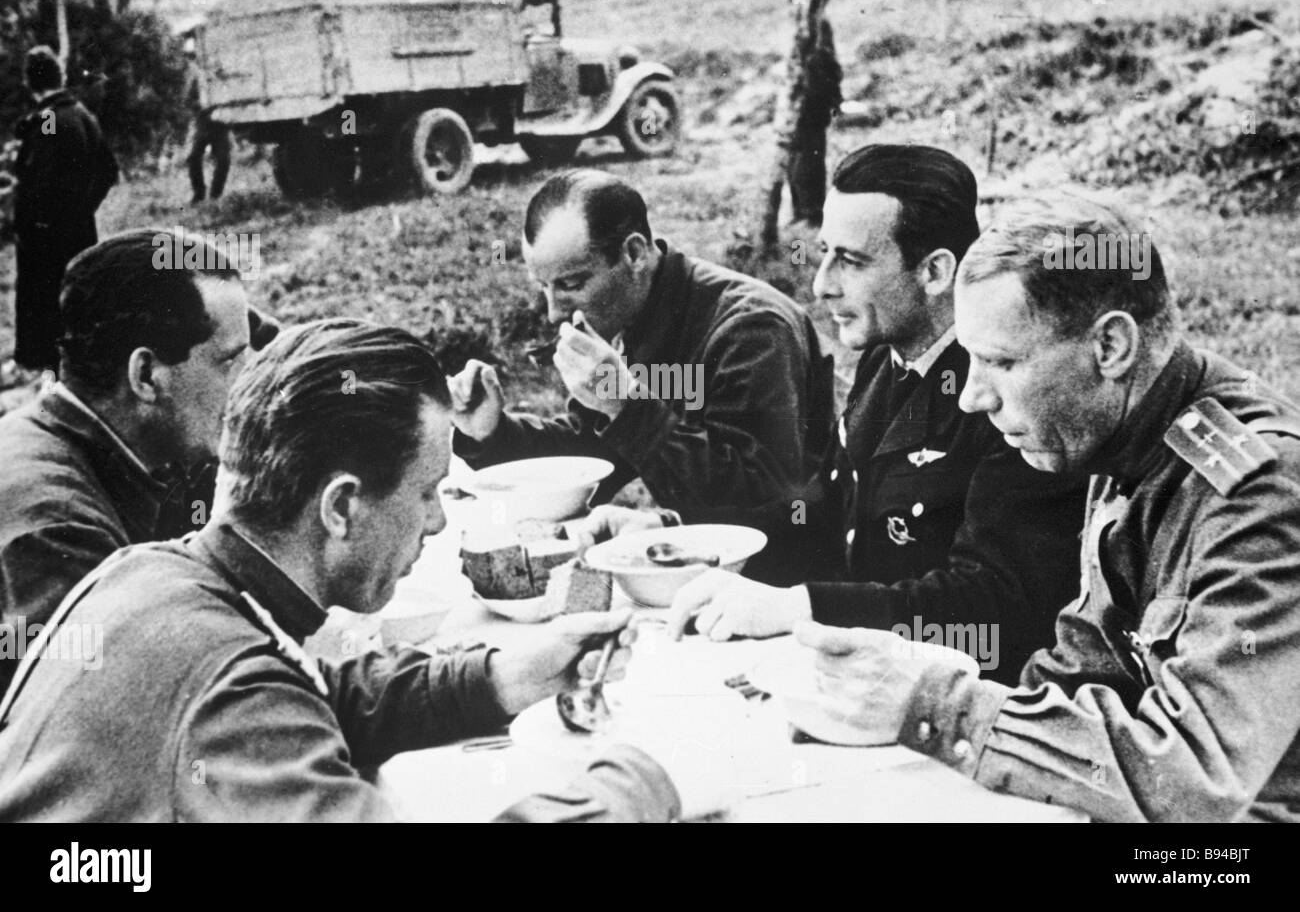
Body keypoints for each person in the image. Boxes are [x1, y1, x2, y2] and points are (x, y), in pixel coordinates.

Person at [0, 318, 703, 822]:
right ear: (339, 506)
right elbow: (261, 703)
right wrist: (639, 780)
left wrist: (500, 676)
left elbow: (312, 688)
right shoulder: (235, 695)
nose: (436, 522)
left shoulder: (156, 573)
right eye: (427, 493)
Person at [799, 190, 1300, 822]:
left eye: (1001, 362)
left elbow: (1195, 772)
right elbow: (1083, 669)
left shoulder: (1260, 490)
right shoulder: (1121, 437)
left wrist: (935, 705)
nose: (972, 398)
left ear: (1111, 347)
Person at [665, 145, 1086, 685]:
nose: (821, 284)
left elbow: (993, 604)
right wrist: (685, 538)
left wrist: (803, 608)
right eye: (823, 253)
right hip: (863, 677)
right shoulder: (886, 360)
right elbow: (820, 509)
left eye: (853, 260)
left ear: (935, 272)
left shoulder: (1004, 391)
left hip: (962, 704)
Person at [448, 169, 833, 583]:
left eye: (572, 284)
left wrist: (627, 405)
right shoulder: (641, 314)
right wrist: (494, 433)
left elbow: (758, 498)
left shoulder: (752, 330)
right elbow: (589, 449)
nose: (554, 312)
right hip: (702, 572)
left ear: (633, 254)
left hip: (787, 585)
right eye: (544, 287)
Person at [0, 229, 276, 696]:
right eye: (229, 364)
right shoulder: (57, 530)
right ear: (146, 375)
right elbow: (137, 708)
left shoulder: (119, 440)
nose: (247, 388)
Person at [10, 46, 119, 375]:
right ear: (59, 77)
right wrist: (84, 207)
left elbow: (38, 171)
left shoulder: (47, 119)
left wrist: (37, 221)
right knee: (78, 297)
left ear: (31, 83)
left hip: (46, 235)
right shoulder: (85, 116)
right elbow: (108, 171)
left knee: (45, 302)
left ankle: (48, 366)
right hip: (80, 229)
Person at [784, 0, 842, 226]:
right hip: (802, 97)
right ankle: (801, 210)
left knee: (809, 157)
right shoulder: (801, 16)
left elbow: (828, 62)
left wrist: (832, 97)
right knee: (797, 157)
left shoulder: (815, 22)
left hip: (813, 97)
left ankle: (810, 212)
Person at [184, 39, 231, 204]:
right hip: (202, 121)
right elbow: (188, 99)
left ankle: (216, 194)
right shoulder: (197, 76)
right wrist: (201, 106)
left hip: (220, 121)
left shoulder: (222, 75)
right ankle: (199, 193)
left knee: (223, 158)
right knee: (193, 157)